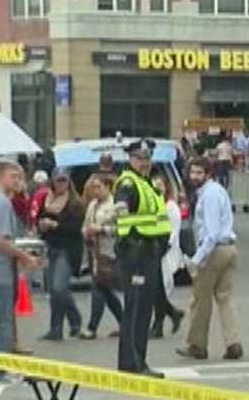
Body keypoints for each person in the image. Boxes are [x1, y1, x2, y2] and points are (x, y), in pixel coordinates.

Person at [0, 161, 43, 382]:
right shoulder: (2, 202)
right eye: (13, 176)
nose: (17, 181)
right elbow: (0, 241)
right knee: (0, 322)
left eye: (19, 177)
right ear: (1, 176)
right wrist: (25, 257)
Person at [112, 139, 170, 377]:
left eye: (147, 158)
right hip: (135, 252)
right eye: (139, 158)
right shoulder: (128, 182)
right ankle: (133, 362)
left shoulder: (148, 183)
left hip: (148, 252)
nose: (144, 163)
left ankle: (136, 360)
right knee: (136, 309)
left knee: (143, 308)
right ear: (131, 159)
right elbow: (121, 206)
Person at [176, 157, 243, 361]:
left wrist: (196, 259)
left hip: (214, 251)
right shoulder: (217, 191)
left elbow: (211, 233)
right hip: (228, 248)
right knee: (225, 297)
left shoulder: (210, 195)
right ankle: (233, 342)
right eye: (192, 172)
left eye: (198, 172)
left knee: (200, 300)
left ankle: (197, 345)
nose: (194, 176)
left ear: (208, 174)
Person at [36, 172, 85, 341]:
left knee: (59, 287)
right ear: (53, 182)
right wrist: (42, 225)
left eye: (65, 180)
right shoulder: (47, 200)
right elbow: (40, 218)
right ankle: (56, 328)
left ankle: (75, 318)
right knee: (54, 290)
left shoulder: (75, 203)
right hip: (52, 247)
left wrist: (56, 225)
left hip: (68, 249)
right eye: (58, 180)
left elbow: (76, 228)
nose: (62, 184)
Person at [78, 175, 123, 340]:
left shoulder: (115, 205)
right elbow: (85, 225)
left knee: (100, 288)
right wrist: (87, 232)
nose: (95, 191)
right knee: (104, 289)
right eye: (93, 188)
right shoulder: (92, 205)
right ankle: (124, 322)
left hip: (110, 252)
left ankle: (92, 327)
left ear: (108, 187)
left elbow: (120, 228)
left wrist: (102, 229)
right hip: (95, 252)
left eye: (98, 187)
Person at [149, 175, 186, 339]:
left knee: (160, 288)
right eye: (154, 185)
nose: (158, 188)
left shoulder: (171, 206)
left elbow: (173, 232)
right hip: (154, 251)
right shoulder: (153, 205)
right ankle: (170, 315)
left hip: (166, 252)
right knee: (156, 289)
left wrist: (164, 248)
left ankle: (159, 323)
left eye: (160, 185)